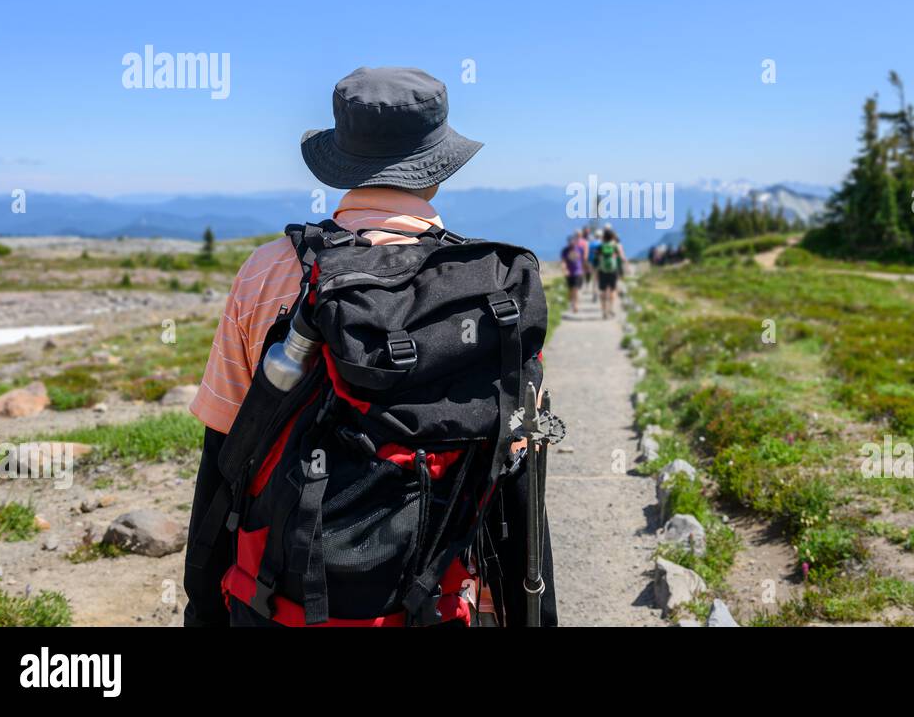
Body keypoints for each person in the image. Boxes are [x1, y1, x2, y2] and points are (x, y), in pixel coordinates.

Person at [183, 66, 556, 627]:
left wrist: (204, 608)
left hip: (280, 602)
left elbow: (224, 456)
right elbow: (517, 478)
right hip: (434, 603)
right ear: (437, 167)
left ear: (342, 162)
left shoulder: (264, 274)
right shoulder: (494, 290)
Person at [594, 227, 626, 319]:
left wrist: (596, 271)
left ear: (603, 237)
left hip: (602, 271)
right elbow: (621, 257)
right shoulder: (615, 246)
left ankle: (604, 311)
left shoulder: (600, 247)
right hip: (613, 270)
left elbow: (596, 259)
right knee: (613, 290)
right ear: (612, 237)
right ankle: (611, 309)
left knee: (603, 291)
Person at [561, 230, 587, 314]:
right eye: (570, 242)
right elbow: (564, 261)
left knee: (575, 289)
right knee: (571, 290)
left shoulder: (580, 249)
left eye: (573, 241)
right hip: (569, 273)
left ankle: (575, 305)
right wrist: (565, 269)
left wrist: (584, 269)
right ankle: (571, 302)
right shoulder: (565, 250)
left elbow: (583, 260)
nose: (571, 243)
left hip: (578, 272)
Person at [587, 227, 603, 301]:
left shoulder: (591, 244)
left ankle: (594, 294)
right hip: (602, 264)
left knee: (594, 280)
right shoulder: (602, 243)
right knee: (601, 280)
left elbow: (589, 255)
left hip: (593, 263)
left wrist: (589, 264)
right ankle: (601, 294)